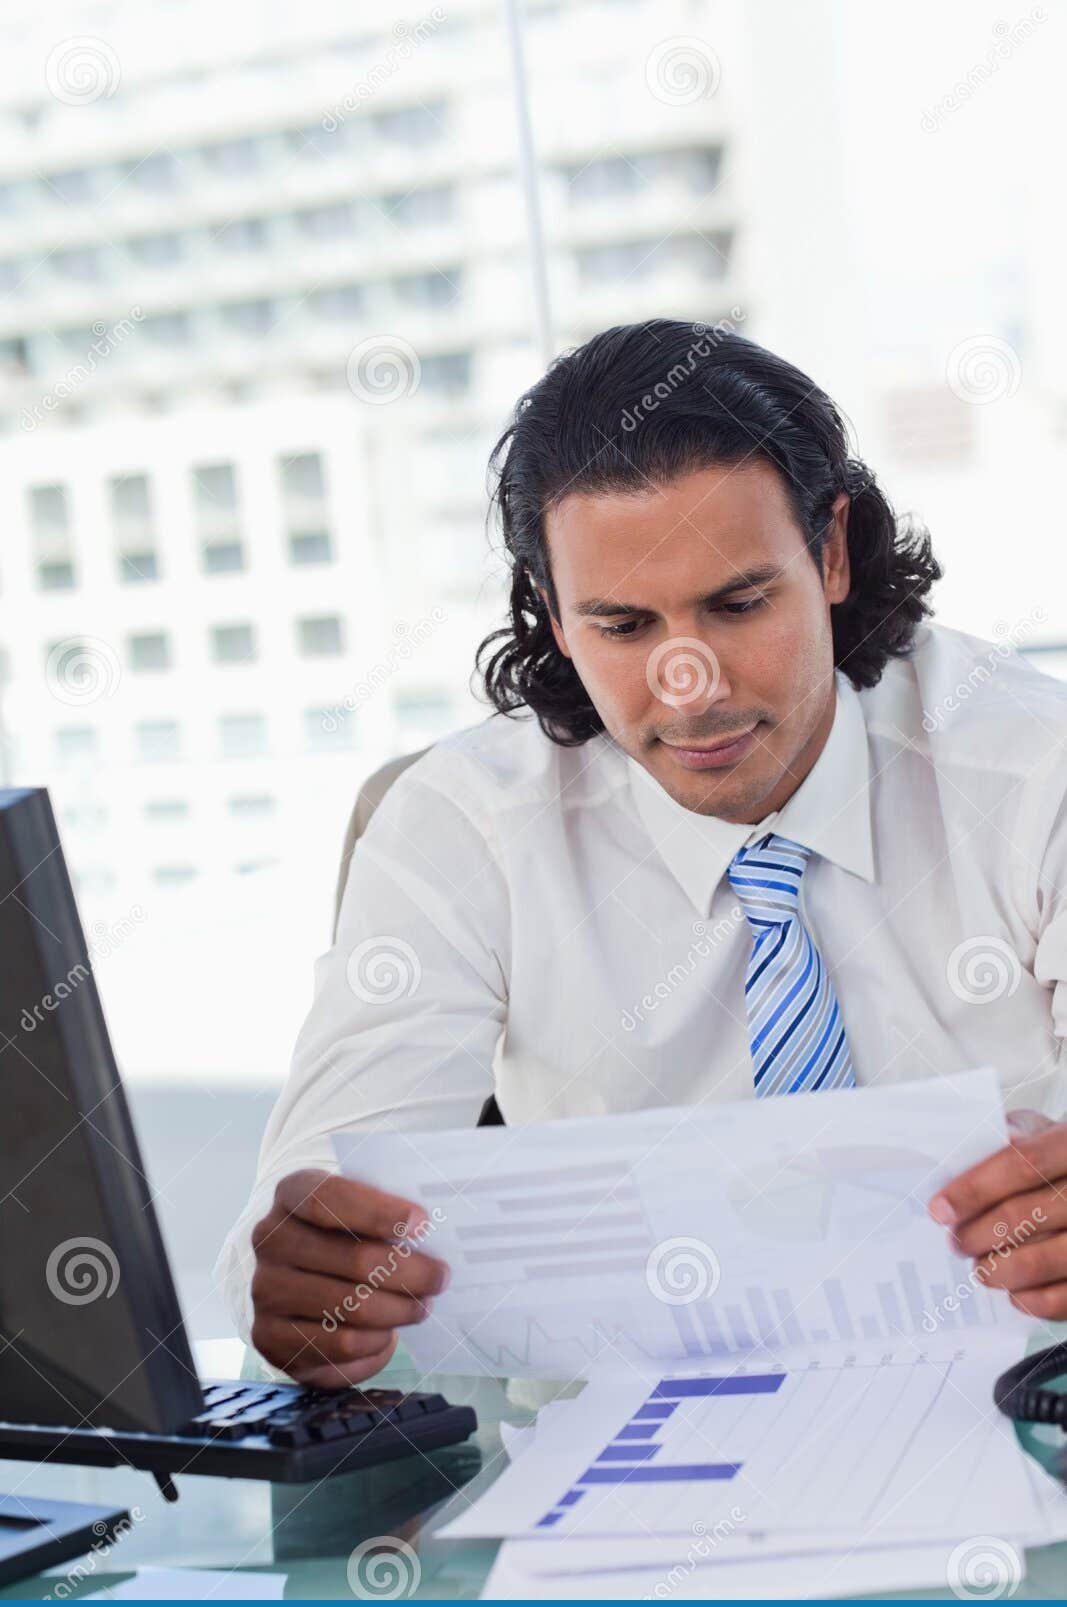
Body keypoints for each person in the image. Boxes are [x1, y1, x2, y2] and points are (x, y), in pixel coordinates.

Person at [216, 319, 1067, 1387]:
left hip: (1017, 1407)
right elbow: (315, 1189)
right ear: (552, 612)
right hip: (632, 1437)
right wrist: (310, 1274)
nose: (689, 684)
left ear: (832, 552)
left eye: (738, 603)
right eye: (621, 625)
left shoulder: (1032, 770)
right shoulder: (464, 825)